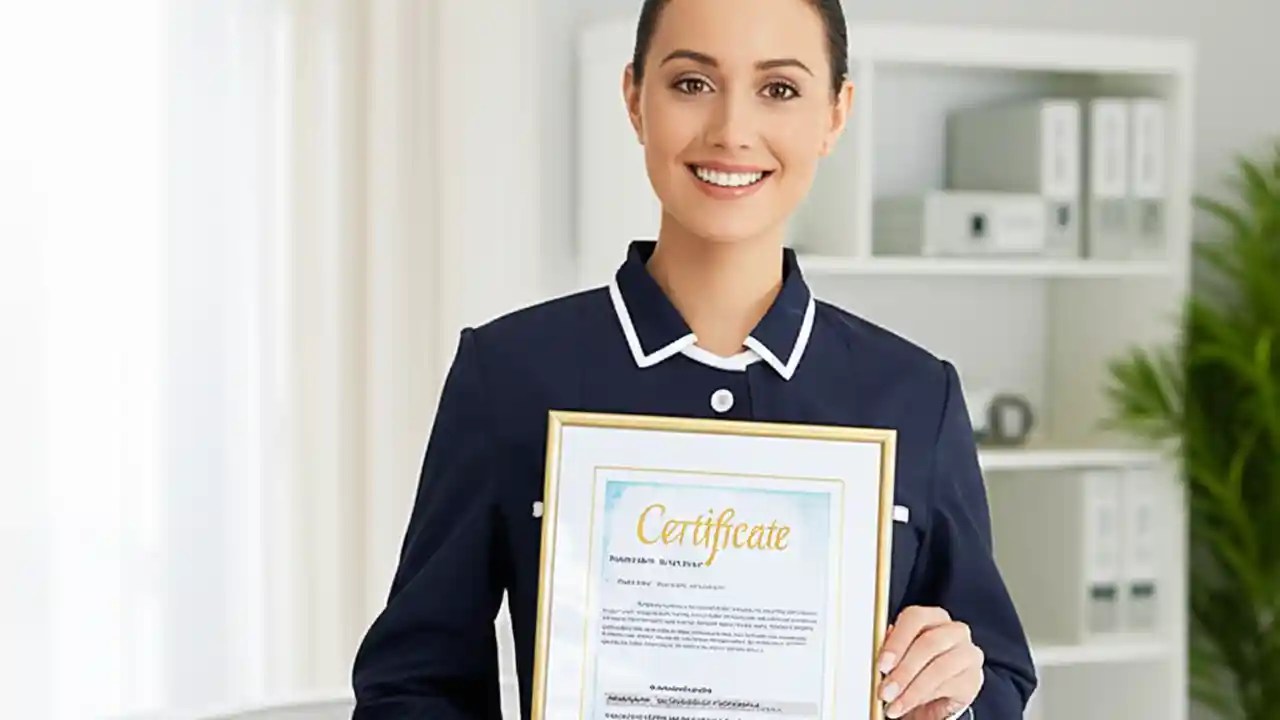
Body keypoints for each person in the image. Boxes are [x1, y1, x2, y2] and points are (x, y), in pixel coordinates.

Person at [350, 0, 1038, 717]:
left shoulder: (915, 398)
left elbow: (1000, 682)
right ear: (634, 99)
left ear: (835, 113)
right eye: (691, 84)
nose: (732, 131)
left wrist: (954, 692)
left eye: (779, 89)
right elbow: (414, 683)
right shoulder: (510, 376)